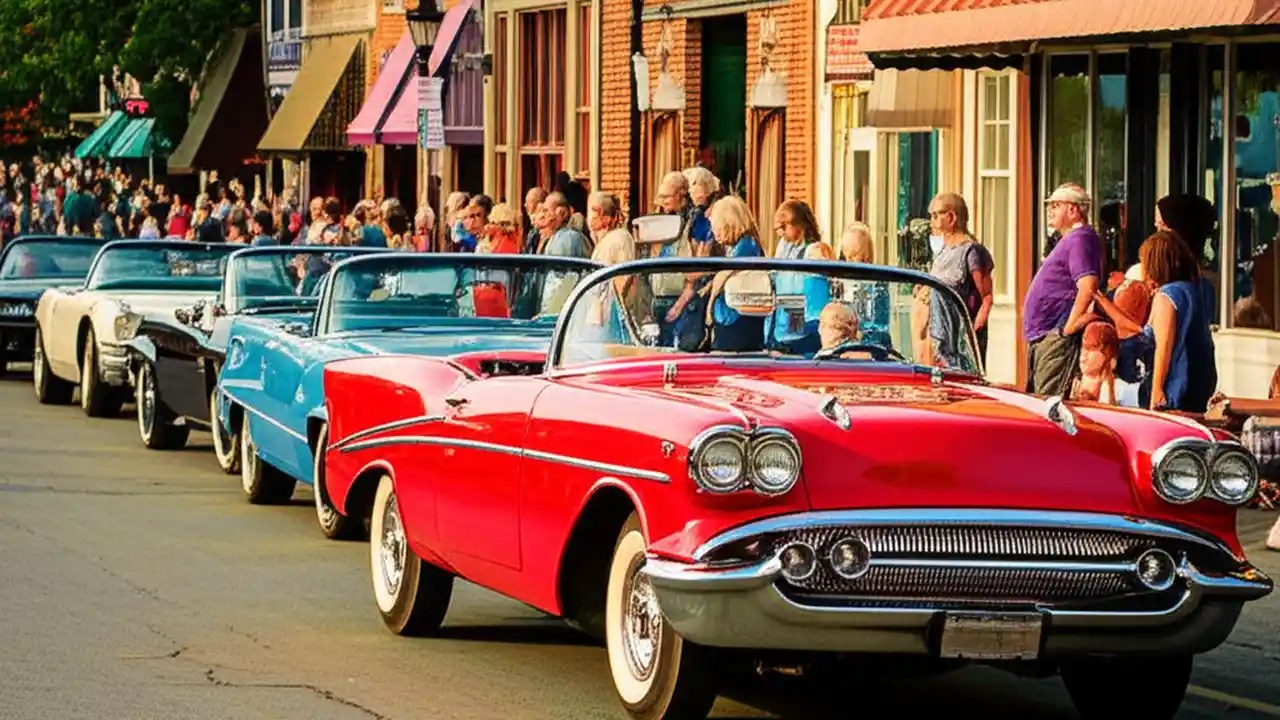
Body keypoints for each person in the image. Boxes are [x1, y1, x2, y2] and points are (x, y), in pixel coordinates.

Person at [1023, 183, 1104, 396]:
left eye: (1056, 205)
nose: (1049, 210)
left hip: (1054, 333)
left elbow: (1088, 285)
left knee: (1047, 403)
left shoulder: (1080, 239)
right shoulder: (1070, 239)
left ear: (1073, 210)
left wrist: (1069, 327)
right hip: (1045, 334)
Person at [927, 193, 995, 364]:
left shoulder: (971, 252)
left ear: (951, 217)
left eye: (936, 215)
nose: (932, 221)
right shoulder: (943, 251)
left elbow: (986, 297)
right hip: (939, 340)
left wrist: (972, 332)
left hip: (960, 344)